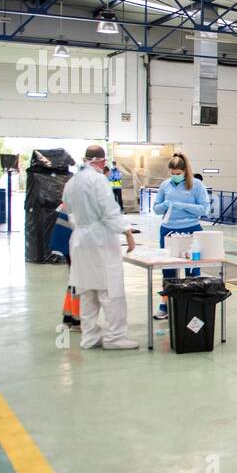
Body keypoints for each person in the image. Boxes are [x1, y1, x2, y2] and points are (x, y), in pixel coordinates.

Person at [61, 145, 137, 350]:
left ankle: (90, 337)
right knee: (110, 291)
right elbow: (109, 211)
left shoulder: (72, 182)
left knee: (87, 292)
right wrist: (127, 231)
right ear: (102, 161)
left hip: (79, 240)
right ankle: (114, 337)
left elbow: (68, 209)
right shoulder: (98, 180)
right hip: (100, 240)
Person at [152, 151, 209, 320]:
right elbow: (156, 209)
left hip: (191, 229)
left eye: (178, 174)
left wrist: (183, 205)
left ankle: (192, 305)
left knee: (192, 269)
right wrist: (165, 205)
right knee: (168, 271)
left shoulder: (196, 185)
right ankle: (166, 305)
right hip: (168, 230)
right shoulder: (165, 185)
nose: (175, 176)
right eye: (172, 174)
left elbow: (204, 209)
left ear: (185, 171)